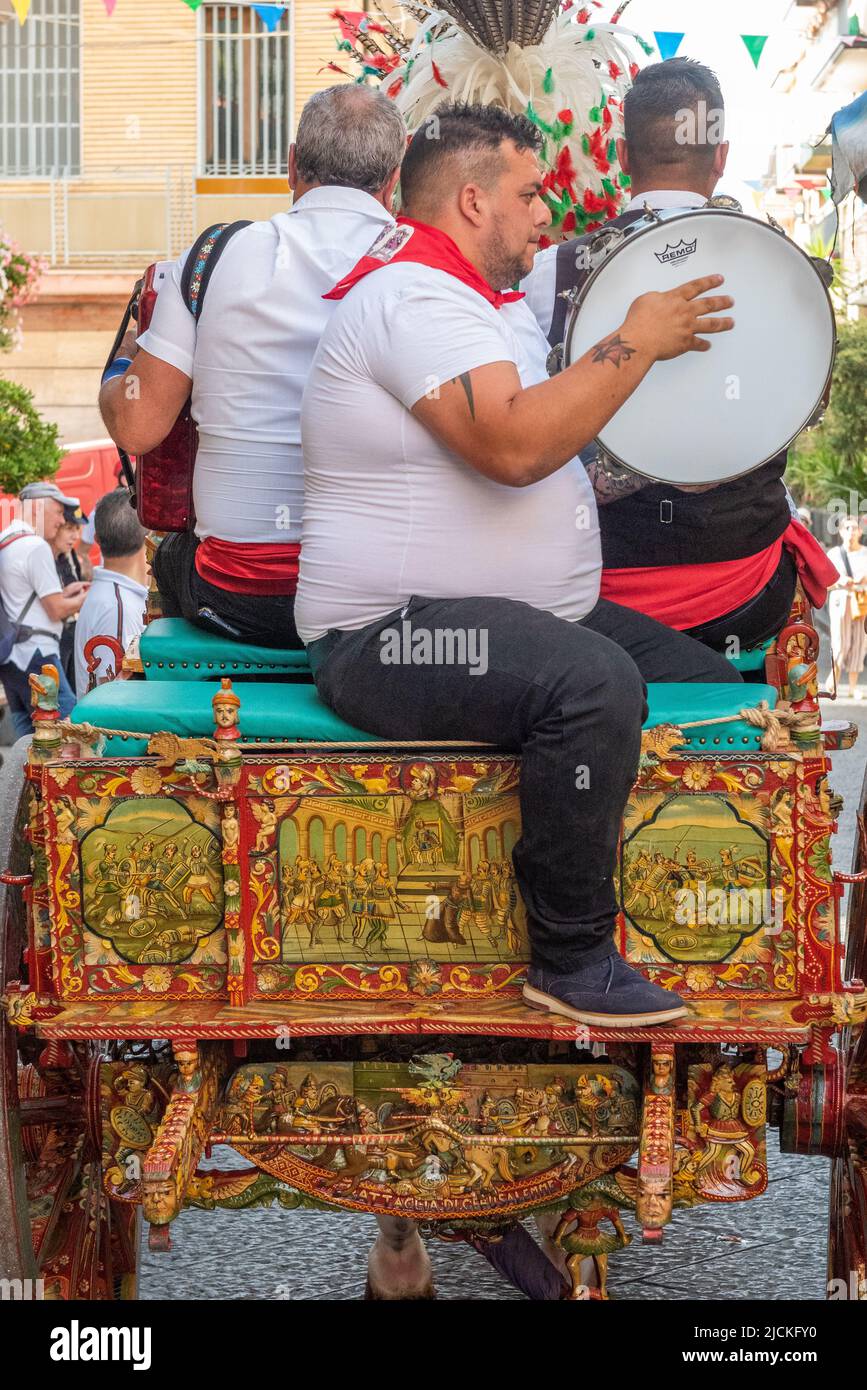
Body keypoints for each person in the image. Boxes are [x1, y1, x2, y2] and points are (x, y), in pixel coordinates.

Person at [297, 102, 739, 1028]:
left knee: (718, 689)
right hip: (391, 633)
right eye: (531, 194)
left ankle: (689, 910)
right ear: (470, 200)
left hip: (507, 613)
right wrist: (637, 340)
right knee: (592, 684)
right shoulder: (412, 297)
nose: (550, 215)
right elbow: (509, 448)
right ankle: (572, 957)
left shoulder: (463, 302)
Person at [520, 57, 837, 654]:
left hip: (600, 583)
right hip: (744, 583)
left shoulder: (547, 273)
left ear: (622, 157)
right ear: (720, 156)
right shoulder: (791, 271)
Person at [98, 84, 405, 650]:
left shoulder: (214, 255)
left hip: (239, 598)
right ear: (394, 176)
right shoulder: (423, 263)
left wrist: (120, 365)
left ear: (291, 164)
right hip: (382, 603)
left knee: (170, 557)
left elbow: (137, 427)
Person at [0, 481, 89, 736]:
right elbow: (56, 609)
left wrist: (64, 594)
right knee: (73, 732)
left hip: (9, 658)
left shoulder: (6, 540)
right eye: (59, 512)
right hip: (36, 656)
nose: (62, 521)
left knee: (27, 739)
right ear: (38, 507)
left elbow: (18, 597)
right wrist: (86, 598)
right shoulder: (34, 546)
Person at [74, 490, 149, 698]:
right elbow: (114, 698)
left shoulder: (117, 597)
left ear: (97, 539)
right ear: (148, 536)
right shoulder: (118, 606)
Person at [826, 517, 867, 699]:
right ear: (841, 531)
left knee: (859, 643)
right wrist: (842, 581)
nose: (851, 532)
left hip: (861, 601)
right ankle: (832, 681)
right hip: (840, 600)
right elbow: (825, 582)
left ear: (860, 532)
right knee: (840, 643)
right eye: (848, 528)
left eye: (855, 528)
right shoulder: (834, 554)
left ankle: (853, 687)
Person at [52, 501, 90, 686]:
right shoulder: (45, 558)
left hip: (74, 633)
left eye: (77, 528)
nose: (75, 536)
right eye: (69, 528)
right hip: (55, 638)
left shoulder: (70, 555)